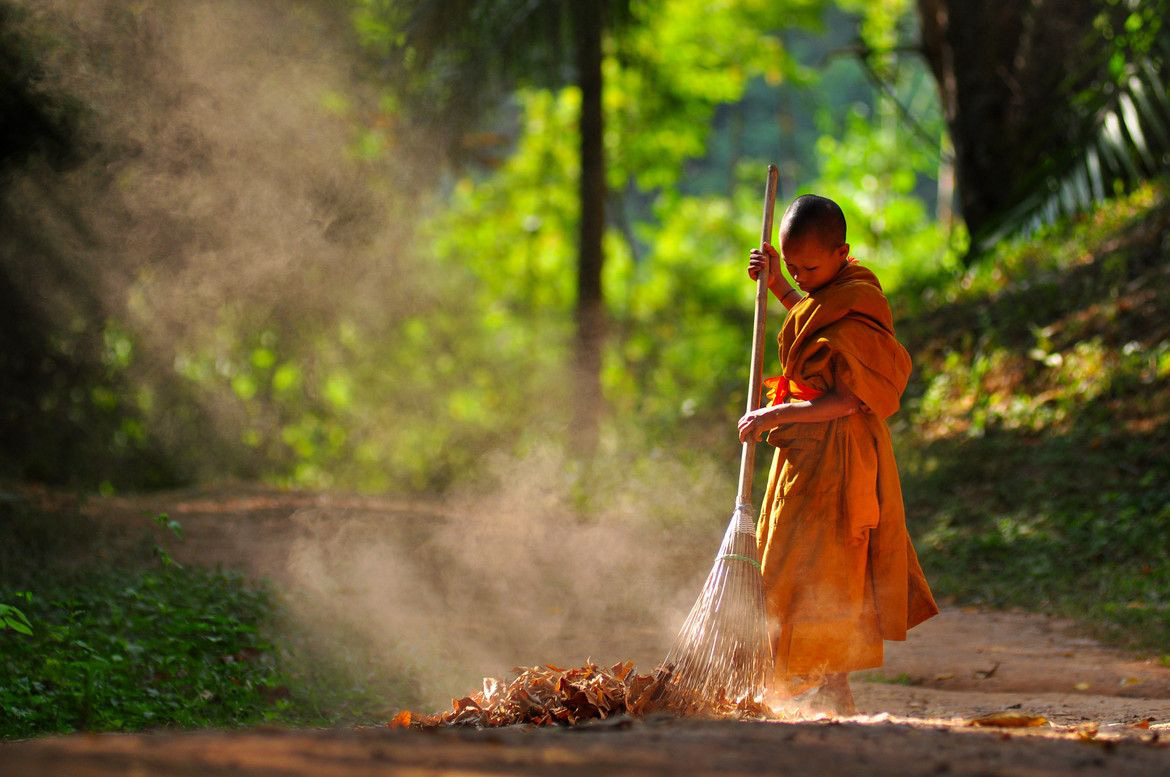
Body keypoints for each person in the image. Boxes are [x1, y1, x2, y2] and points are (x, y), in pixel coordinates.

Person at [739, 194, 939, 716]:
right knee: (782, 554)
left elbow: (848, 398)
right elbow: (813, 328)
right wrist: (778, 284)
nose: (801, 277)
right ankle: (783, 677)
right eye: (793, 265)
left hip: (843, 452)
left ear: (842, 252)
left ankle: (834, 683)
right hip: (806, 454)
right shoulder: (825, 295)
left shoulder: (860, 300)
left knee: (833, 565)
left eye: (809, 266)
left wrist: (773, 416)